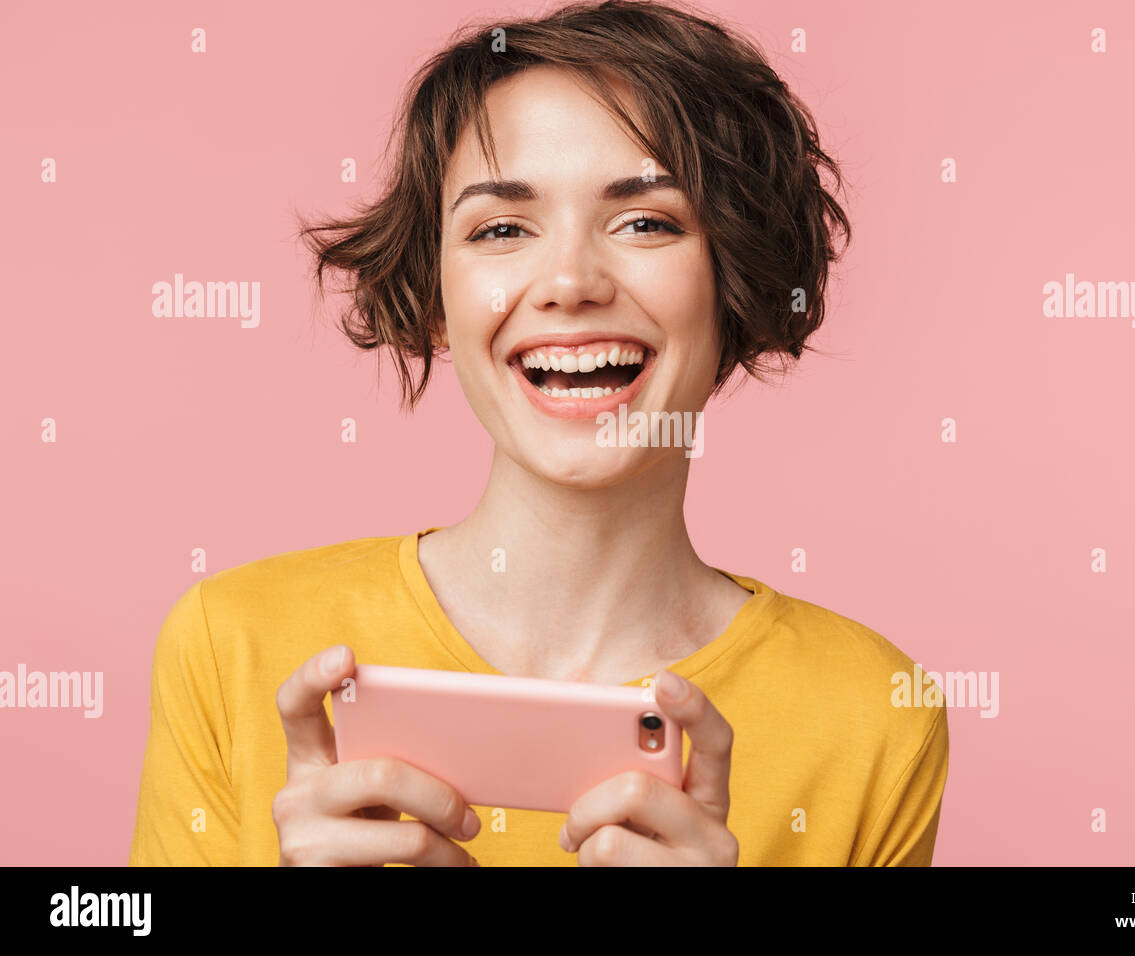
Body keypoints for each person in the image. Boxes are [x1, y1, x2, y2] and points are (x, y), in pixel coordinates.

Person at [129, 0, 948, 867]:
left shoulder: (873, 715)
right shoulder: (232, 641)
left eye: (645, 221)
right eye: (502, 228)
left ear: (736, 280)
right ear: (435, 294)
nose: (568, 281)